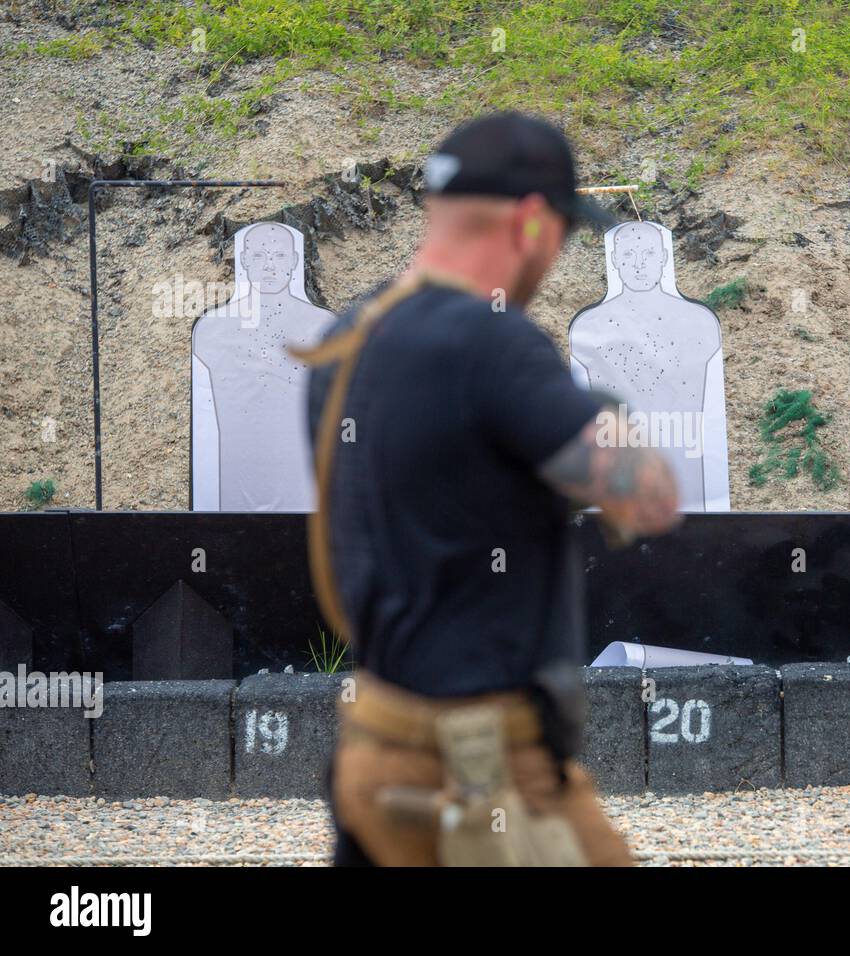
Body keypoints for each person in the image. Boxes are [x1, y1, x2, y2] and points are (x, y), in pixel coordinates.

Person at [297, 112, 681, 866]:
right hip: (481, 768)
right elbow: (648, 499)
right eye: (565, 231)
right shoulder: (493, 342)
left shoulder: (346, 339)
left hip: (375, 744)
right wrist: (606, 417)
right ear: (534, 221)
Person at [570, 221, 724, 510]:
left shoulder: (700, 322)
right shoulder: (587, 326)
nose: (639, 264)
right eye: (628, 255)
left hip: (686, 478)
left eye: (648, 254)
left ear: (664, 258)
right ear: (615, 260)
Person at [192, 221, 333, 510]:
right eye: (259, 255)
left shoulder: (323, 325)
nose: (269, 265)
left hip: (301, 490)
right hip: (235, 490)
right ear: (244, 260)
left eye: (279, 255)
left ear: (294, 261)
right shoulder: (210, 328)